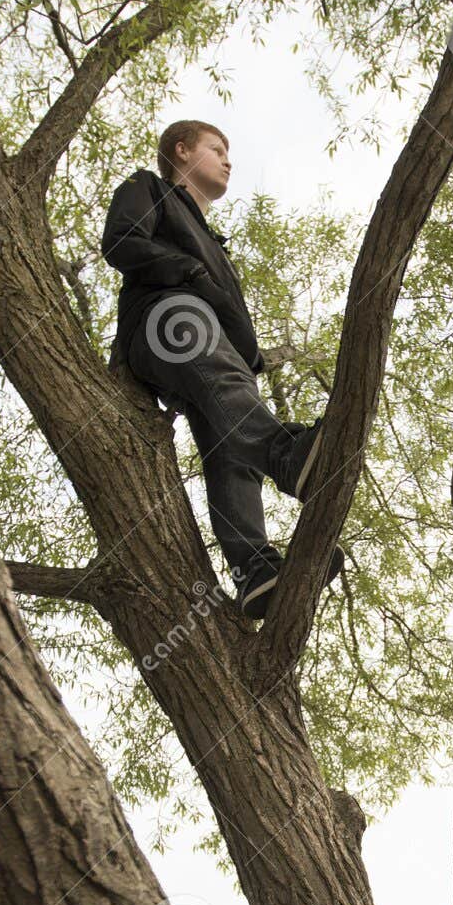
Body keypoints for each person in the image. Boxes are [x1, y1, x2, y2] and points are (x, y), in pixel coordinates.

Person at [101, 119, 344, 620]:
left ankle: (255, 572)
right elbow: (121, 242)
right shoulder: (146, 186)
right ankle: (287, 456)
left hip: (213, 353)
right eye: (217, 149)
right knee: (234, 397)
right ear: (183, 149)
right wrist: (188, 272)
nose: (228, 159)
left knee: (233, 446)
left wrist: (249, 355)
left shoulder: (216, 241)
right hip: (166, 320)